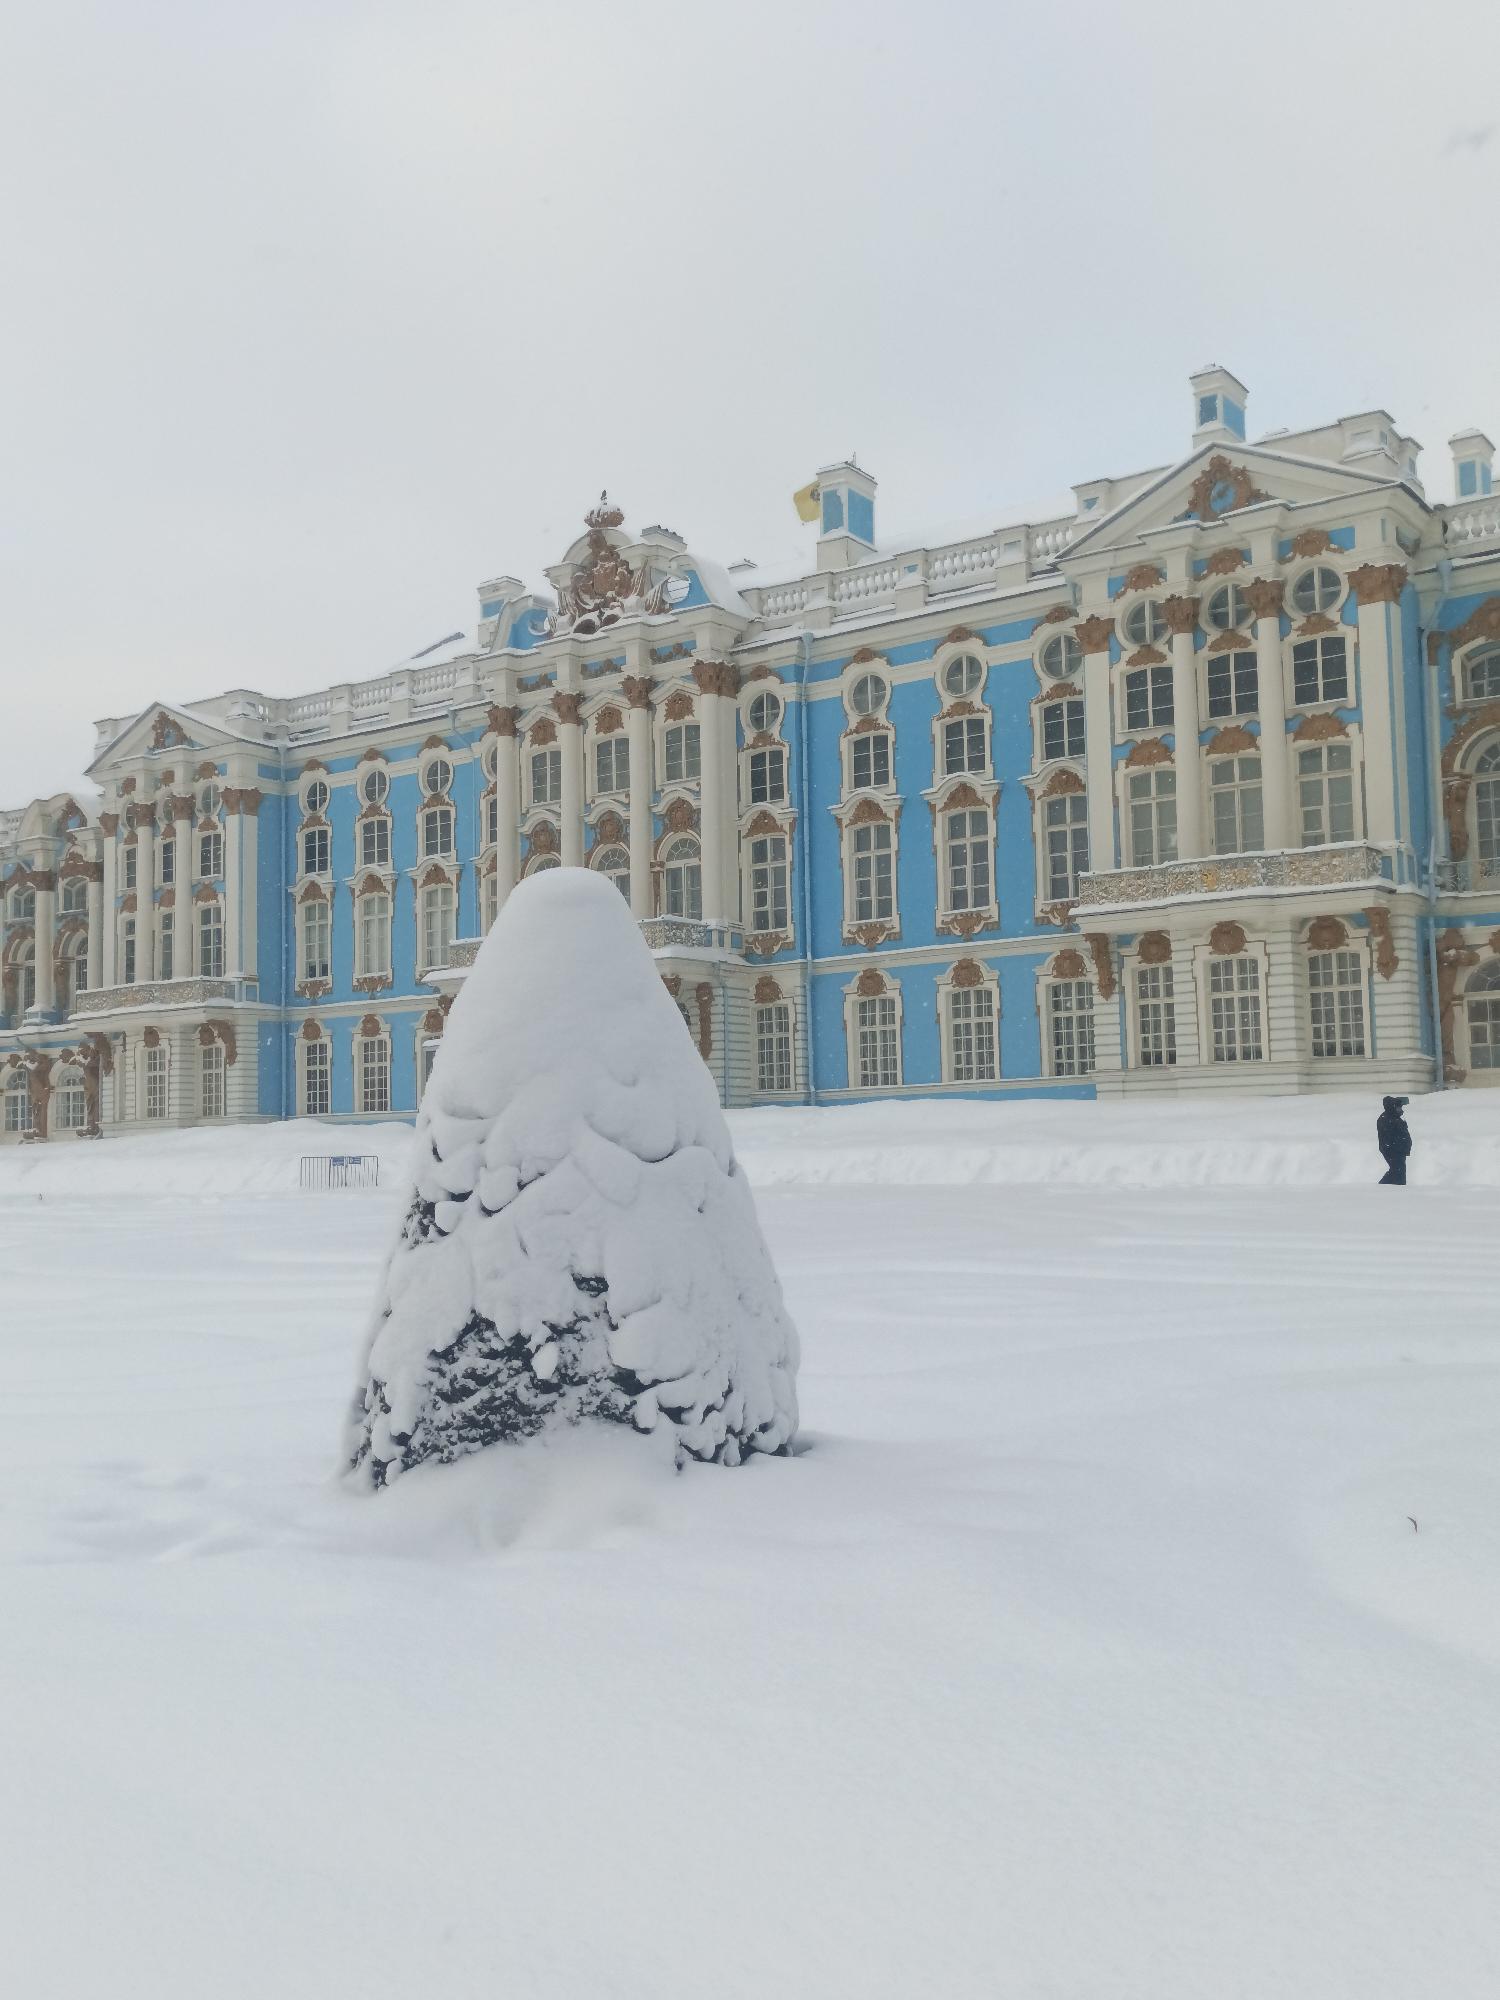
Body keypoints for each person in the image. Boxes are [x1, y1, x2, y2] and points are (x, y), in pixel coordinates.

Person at [1376, 1095, 1412, 1185]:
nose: (1401, 1110)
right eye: (1399, 1107)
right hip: (1393, 1151)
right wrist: (1398, 1147)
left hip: (1399, 1150)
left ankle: (1389, 1187)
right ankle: (1393, 1188)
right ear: (1393, 1107)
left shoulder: (1395, 1118)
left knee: (1396, 1171)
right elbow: (1388, 1137)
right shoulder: (1386, 1119)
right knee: (1397, 1171)